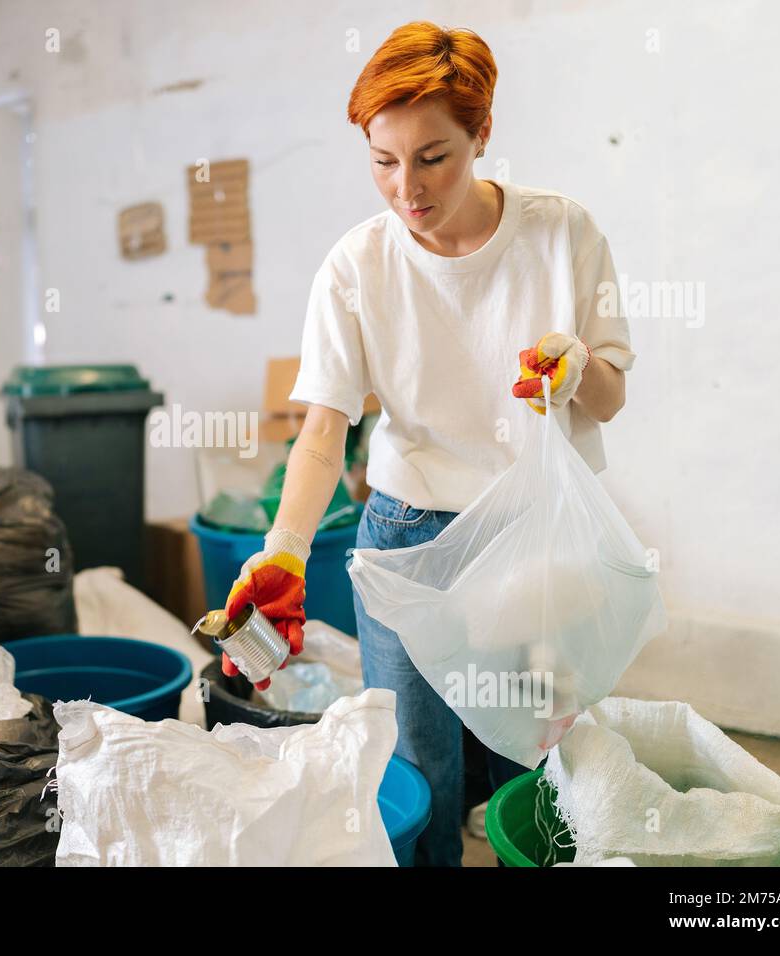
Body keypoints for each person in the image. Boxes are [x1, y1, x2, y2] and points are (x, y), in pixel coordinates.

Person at [220, 21, 635, 867]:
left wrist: (579, 361)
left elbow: (613, 397)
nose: (406, 188)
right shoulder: (355, 266)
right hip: (409, 539)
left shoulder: (563, 236)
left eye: (434, 157)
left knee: (536, 764)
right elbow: (323, 432)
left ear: (483, 135)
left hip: (536, 543)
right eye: (383, 161)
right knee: (419, 765)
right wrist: (285, 554)